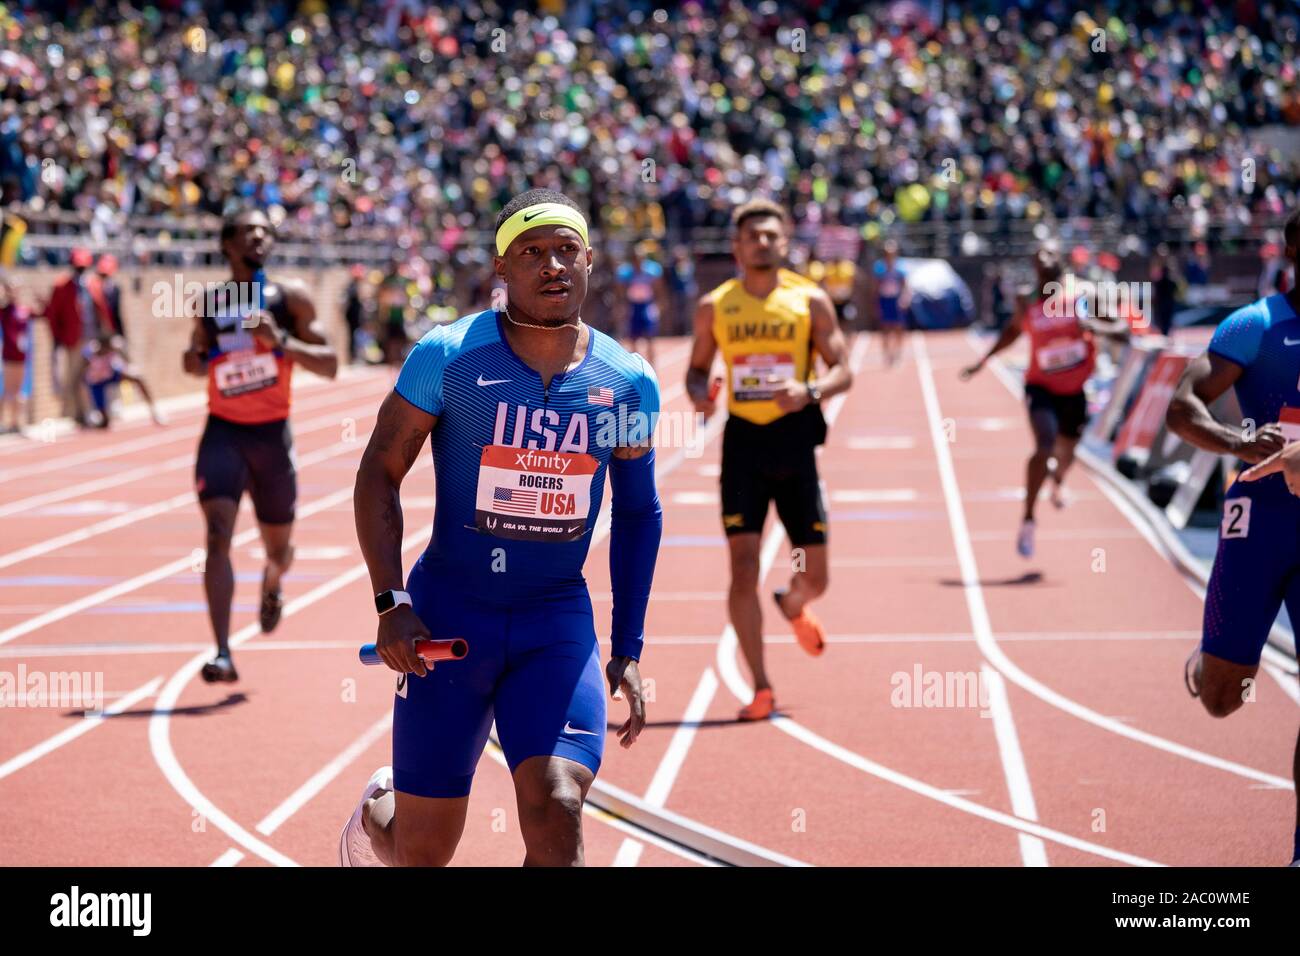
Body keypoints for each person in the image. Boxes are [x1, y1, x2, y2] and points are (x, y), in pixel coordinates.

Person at [342, 188, 661, 867]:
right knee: (422, 853)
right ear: (502, 269)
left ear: (590, 262)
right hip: (450, 615)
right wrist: (390, 603)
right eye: (532, 253)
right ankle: (378, 811)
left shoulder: (628, 381)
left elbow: (638, 511)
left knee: (558, 805)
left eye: (566, 251)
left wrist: (628, 645)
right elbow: (379, 473)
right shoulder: (448, 355)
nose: (552, 266)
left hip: (553, 621)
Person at [684, 198, 853, 721]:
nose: (762, 243)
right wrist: (700, 396)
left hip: (795, 443)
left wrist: (808, 389)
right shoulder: (716, 305)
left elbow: (843, 368)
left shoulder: (809, 301)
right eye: (752, 236)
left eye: (771, 235)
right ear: (736, 246)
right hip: (744, 446)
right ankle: (761, 686)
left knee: (818, 575)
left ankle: (795, 603)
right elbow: (694, 370)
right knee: (741, 568)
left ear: (785, 243)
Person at [1166, 206, 1300, 867]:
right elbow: (1180, 408)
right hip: (1261, 525)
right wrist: (1241, 443)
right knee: (1224, 698)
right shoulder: (1255, 326)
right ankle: (1212, 661)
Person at [182, 208, 339, 683]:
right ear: (227, 244)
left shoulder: (289, 296)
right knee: (216, 536)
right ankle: (223, 652)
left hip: (272, 436)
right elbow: (195, 362)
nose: (258, 237)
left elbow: (330, 364)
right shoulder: (210, 301)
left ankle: (272, 580)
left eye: (265, 231)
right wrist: (193, 358)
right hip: (223, 431)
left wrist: (281, 340)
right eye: (248, 231)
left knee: (279, 549)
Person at [961, 247, 1127, 557]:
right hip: (1041, 388)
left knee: (1066, 454)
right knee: (1044, 446)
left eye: (1051, 258)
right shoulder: (1027, 301)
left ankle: (1058, 478)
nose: (1046, 265)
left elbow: (1122, 330)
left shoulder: (1083, 294)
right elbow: (1011, 333)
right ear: (1035, 270)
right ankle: (1028, 518)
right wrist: (982, 361)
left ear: (1061, 265)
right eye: (1039, 261)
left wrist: (1094, 326)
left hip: (1075, 391)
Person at [42, 247, 114, 424]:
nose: (80, 271)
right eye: (77, 267)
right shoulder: (61, 286)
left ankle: (95, 410)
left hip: (93, 338)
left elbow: (103, 310)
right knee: (74, 377)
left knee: (93, 376)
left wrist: (107, 336)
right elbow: (54, 315)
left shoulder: (94, 285)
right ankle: (78, 413)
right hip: (73, 339)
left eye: (83, 267)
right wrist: (58, 338)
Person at [82, 332, 164, 428]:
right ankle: (99, 418)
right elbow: (83, 371)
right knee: (105, 423)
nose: (107, 351)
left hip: (111, 374)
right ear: (101, 347)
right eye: (105, 349)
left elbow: (124, 359)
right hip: (97, 382)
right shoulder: (90, 353)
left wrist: (128, 365)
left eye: (109, 348)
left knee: (138, 379)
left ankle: (154, 410)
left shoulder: (115, 347)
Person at [616, 242, 668, 367]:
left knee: (650, 338)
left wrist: (659, 305)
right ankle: (637, 368)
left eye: (640, 258)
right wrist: (622, 306)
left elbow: (659, 288)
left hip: (647, 306)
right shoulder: (625, 272)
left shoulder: (652, 270)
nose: (637, 261)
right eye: (635, 258)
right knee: (633, 339)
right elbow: (620, 291)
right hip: (633, 307)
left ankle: (652, 368)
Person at [0, 275, 30, 434]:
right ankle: (4, 421)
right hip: (9, 354)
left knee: (18, 391)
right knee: (8, 390)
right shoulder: (5, 310)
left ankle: (15, 422)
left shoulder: (22, 310)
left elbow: (42, 313)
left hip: (22, 355)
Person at [873, 240, 909, 367]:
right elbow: (876, 286)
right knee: (885, 327)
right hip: (885, 299)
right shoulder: (879, 267)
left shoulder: (900, 267)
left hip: (896, 299)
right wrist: (876, 302)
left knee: (899, 327)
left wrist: (904, 298)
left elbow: (905, 285)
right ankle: (887, 353)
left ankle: (898, 352)